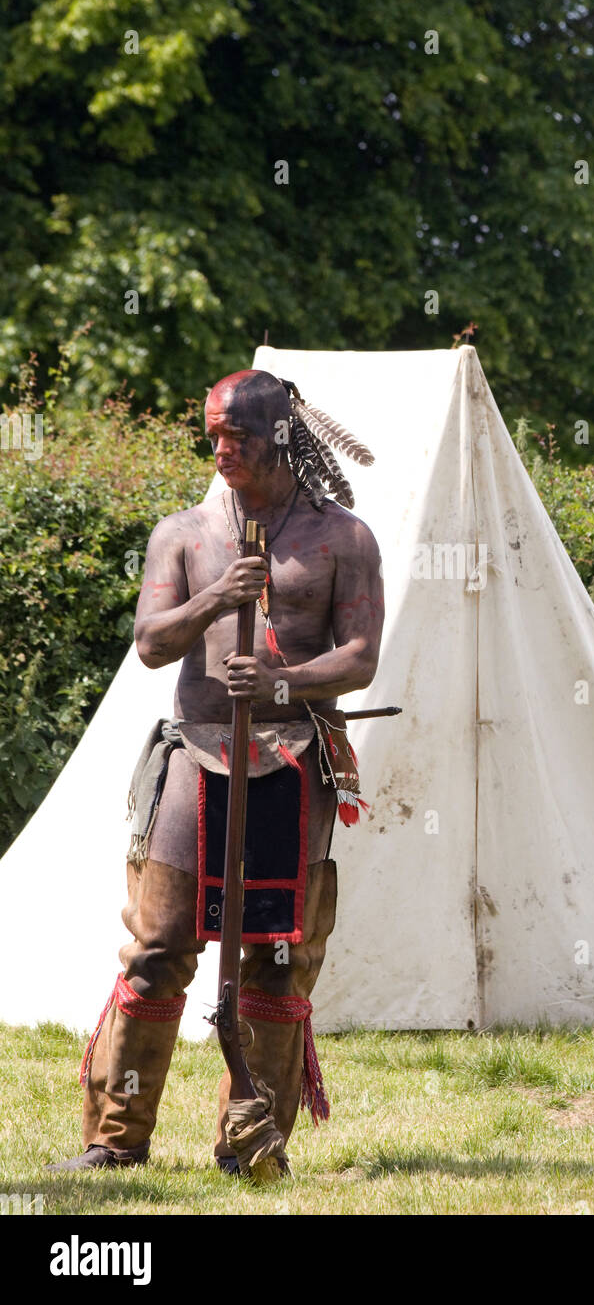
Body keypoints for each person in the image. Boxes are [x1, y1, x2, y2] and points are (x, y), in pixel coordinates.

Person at [48, 368, 383, 1174]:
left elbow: (361, 659)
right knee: (159, 946)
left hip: (293, 756)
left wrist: (283, 683)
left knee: (276, 952)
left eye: (238, 435)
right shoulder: (184, 534)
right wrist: (214, 599)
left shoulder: (344, 537)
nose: (221, 448)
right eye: (214, 434)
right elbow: (152, 643)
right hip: (195, 753)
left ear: (280, 437)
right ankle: (116, 1141)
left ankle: (252, 1144)